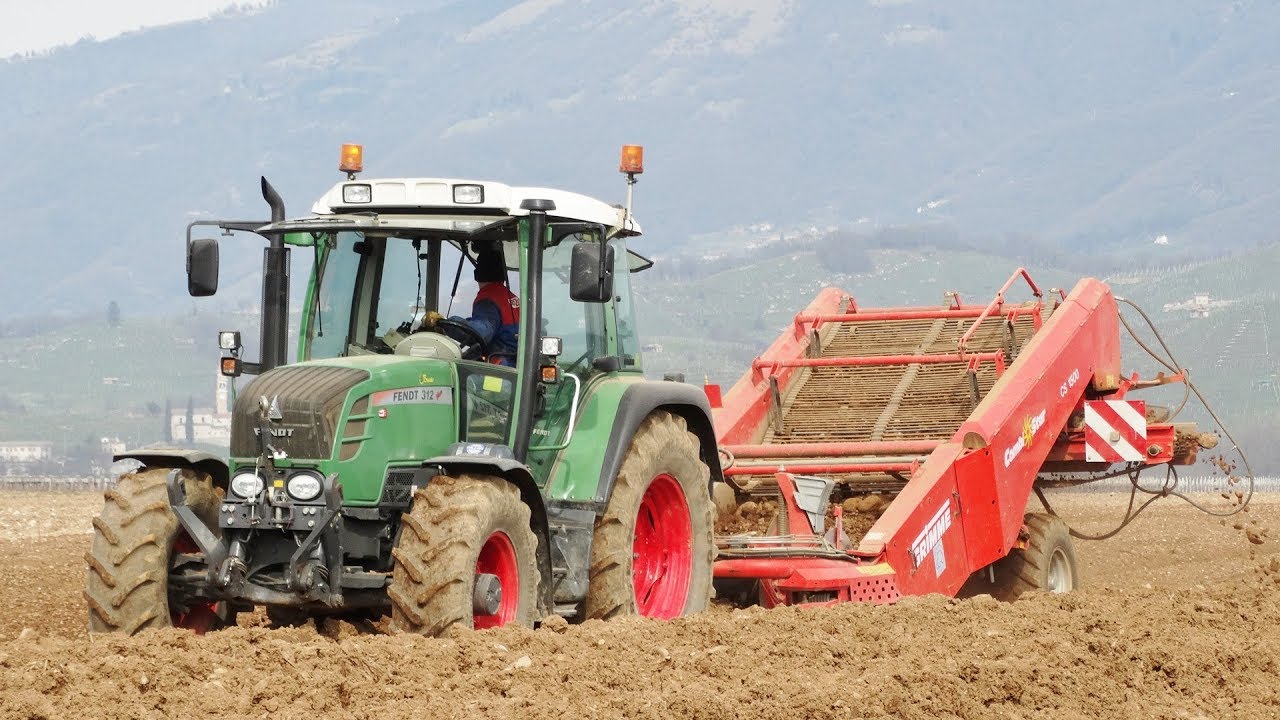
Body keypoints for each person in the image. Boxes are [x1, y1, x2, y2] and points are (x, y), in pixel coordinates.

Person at [426, 245, 520, 365]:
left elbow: (480, 332)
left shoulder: (489, 299)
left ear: (477, 274)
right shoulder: (510, 297)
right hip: (514, 363)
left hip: (500, 368)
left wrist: (445, 323)